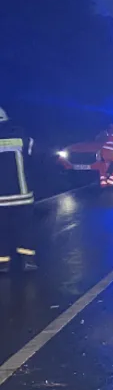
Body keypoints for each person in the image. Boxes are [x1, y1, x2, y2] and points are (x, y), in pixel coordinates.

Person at [0, 107, 37, 272]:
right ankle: (28, 260)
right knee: (25, 228)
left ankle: (3, 263)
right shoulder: (22, 136)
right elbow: (33, 157)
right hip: (22, 195)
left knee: (1, 230)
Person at [98, 121, 113, 188]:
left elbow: (98, 140)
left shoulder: (104, 133)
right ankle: (110, 182)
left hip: (104, 152)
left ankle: (103, 183)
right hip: (110, 153)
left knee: (104, 168)